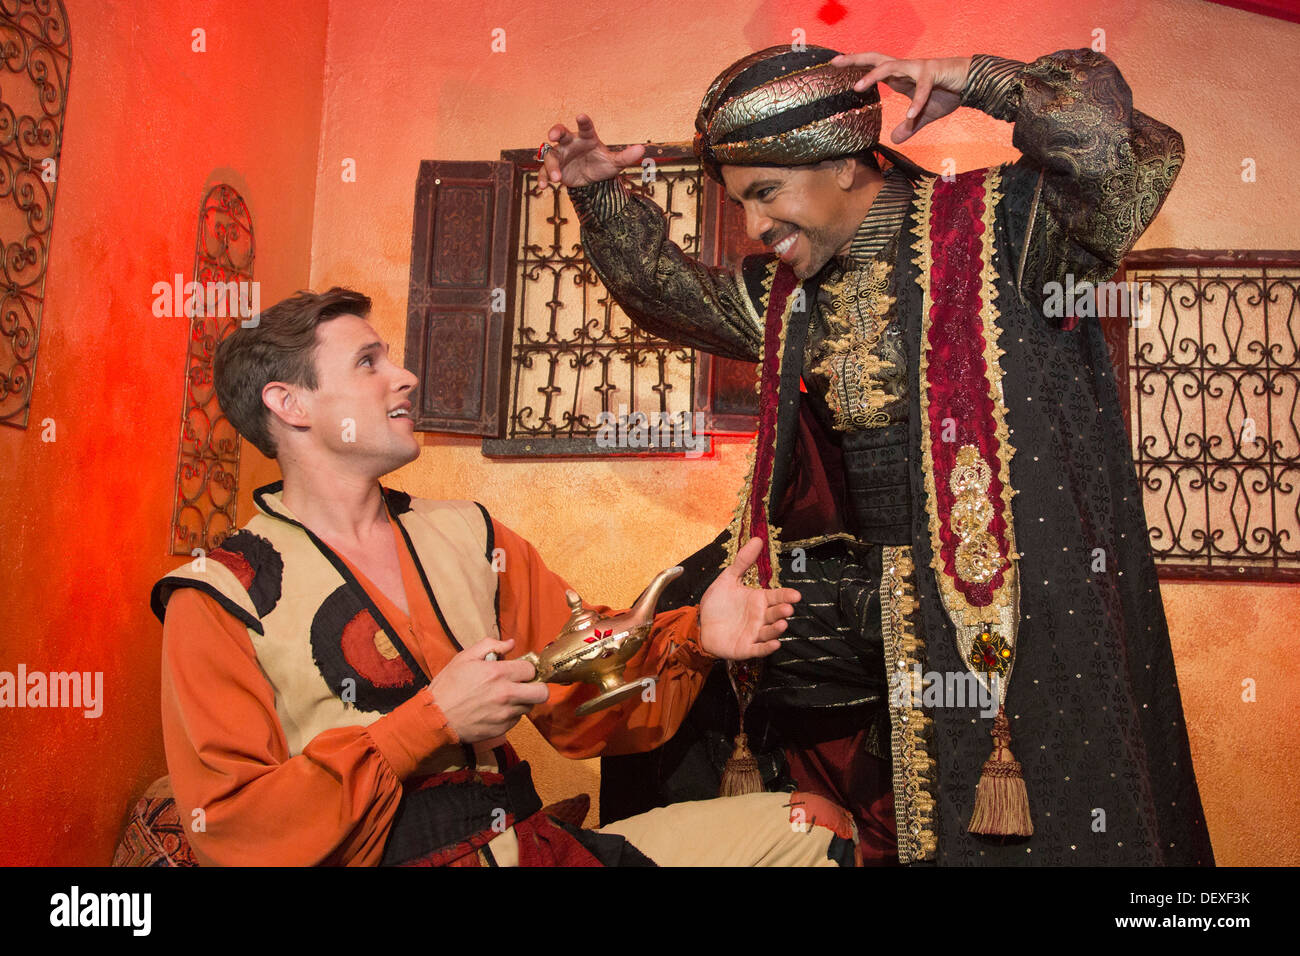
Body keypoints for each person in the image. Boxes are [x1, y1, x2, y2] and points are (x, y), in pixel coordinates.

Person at [540, 45, 1215, 865]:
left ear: (845, 163)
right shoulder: (790, 293)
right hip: (864, 611)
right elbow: (669, 295)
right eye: (740, 202)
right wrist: (599, 197)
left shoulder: (1008, 229)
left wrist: (983, 82)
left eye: (765, 194)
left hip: (1006, 604)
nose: (754, 227)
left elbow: (1115, 153)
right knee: (694, 646)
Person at [151, 286, 861, 866]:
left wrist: (696, 635)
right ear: (291, 405)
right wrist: (429, 722)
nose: (405, 376)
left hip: (534, 848)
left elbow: (582, 694)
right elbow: (233, 826)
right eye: (368, 362)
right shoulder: (220, 593)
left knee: (816, 834)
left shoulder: (469, 534)